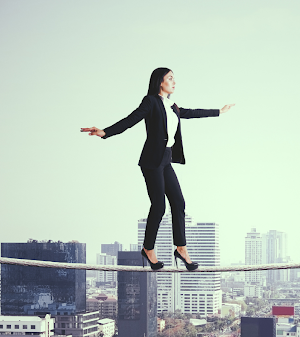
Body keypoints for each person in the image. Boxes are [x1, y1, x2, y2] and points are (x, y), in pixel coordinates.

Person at [81, 67, 234, 271]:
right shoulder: (151, 101)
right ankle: (148, 249)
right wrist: (105, 132)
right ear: (160, 82)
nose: (174, 82)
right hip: (152, 161)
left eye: (174, 79)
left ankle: (181, 249)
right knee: (159, 206)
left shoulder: (173, 106)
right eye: (170, 78)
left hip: (166, 160)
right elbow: (131, 119)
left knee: (178, 202)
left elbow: (191, 113)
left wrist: (219, 112)